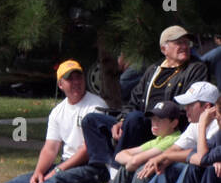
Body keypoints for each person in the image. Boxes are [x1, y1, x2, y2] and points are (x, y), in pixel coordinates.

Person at [82, 26, 208, 167]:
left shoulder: (195, 68)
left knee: (134, 118)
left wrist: (157, 119)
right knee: (91, 120)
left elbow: (189, 105)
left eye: (186, 42)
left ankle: (116, 169)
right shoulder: (154, 69)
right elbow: (134, 100)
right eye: (179, 42)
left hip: (165, 126)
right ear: (163, 49)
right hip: (139, 122)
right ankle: (101, 166)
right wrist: (122, 120)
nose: (184, 46)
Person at [113, 81, 220, 183]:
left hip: (208, 175)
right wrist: (161, 159)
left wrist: (165, 156)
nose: (185, 109)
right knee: (162, 166)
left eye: (190, 105)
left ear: (207, 107)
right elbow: (177, 149)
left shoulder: (215, 124)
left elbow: (201, 157)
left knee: (183, 166)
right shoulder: (194, 124)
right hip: (204, 173)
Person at [73, 100, 183, 183]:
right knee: (130, 168)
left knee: (142, 169)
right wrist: (132, 161)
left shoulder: (174, 139)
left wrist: (132, 161)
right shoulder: (158, 140)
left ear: (174, 123)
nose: (154, 123)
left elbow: (135, 160)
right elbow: (119, 155)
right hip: (154, 180)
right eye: (153, 119)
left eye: (160, 119)